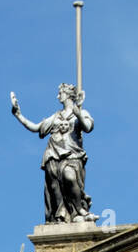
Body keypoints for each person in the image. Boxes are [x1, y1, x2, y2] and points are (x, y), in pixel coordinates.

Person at [11, 82, 96, 223]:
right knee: (55, 188)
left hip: (72, 155)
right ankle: (61, 217)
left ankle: (80, 210)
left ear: (68, 95)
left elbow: (87, 127)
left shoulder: (81, 112)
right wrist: (18, 115)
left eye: (60, 93)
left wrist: (79, 114)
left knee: (69, 177)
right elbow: (36, 127)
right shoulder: (56, 116)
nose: (58, 96)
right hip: (53, 155)